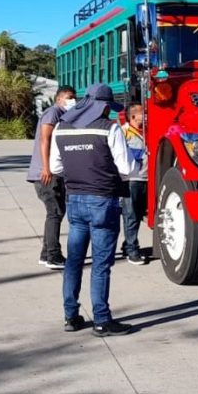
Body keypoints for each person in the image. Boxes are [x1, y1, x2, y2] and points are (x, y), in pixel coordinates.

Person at [50, 83, 136, 336]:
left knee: (74, 261)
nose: (109, 111)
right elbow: (127, 168)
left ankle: (71, 316)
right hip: (103, 201)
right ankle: (102, 320)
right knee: (100, 264)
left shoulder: (61, 127)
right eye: (108, 106)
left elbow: (55, 168)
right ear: (103, 106)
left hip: (75, 200)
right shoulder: (109, 128)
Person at [26, 85, 76, 270]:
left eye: (74, 97)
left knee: (56, 212)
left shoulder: (63, 115)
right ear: (59, 99)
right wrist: (46, 168)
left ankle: (46, 253)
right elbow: (44, 139)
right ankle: (53, 256)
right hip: (46, 174)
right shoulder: (53, 113)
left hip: (54, 172)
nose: (73, 100)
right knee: (55, 212)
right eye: (69, 97)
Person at [120, 104, 148, 265]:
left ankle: (127, 244)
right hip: (131, 180)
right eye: (142, 113)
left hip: (146, 179)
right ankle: (132, 250)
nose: (145, 116)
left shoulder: (147, 131)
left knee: (138, 215)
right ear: (132, 117)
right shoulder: (124, 132)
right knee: (130, 215)